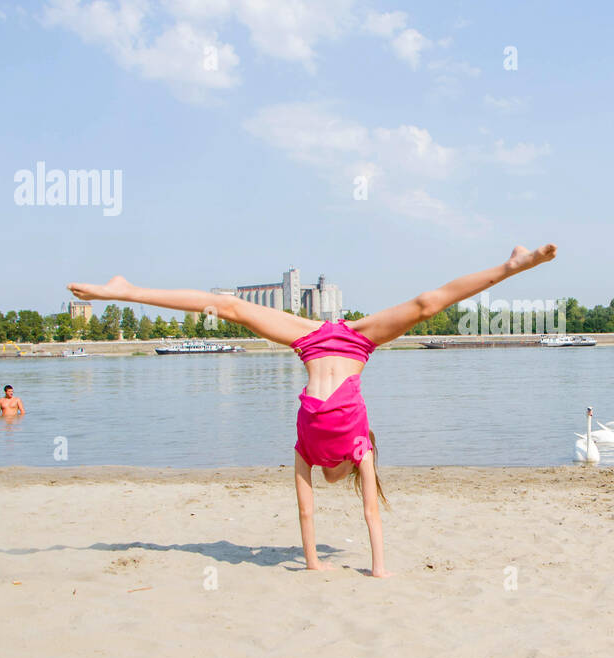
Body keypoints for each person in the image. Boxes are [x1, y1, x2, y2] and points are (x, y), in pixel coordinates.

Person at [67, 244, 557, 577]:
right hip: (357, 342)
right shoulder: (361, 450)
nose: (329, 476)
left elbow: (305, 511)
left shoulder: (307, 449)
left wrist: (313, 563)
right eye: (332, 474)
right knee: (426, 305)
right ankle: (513, 265)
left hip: (315, 344)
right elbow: (371, 512)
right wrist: (378, 568)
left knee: (229, 307)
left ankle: (125, 291)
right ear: (340, 467)